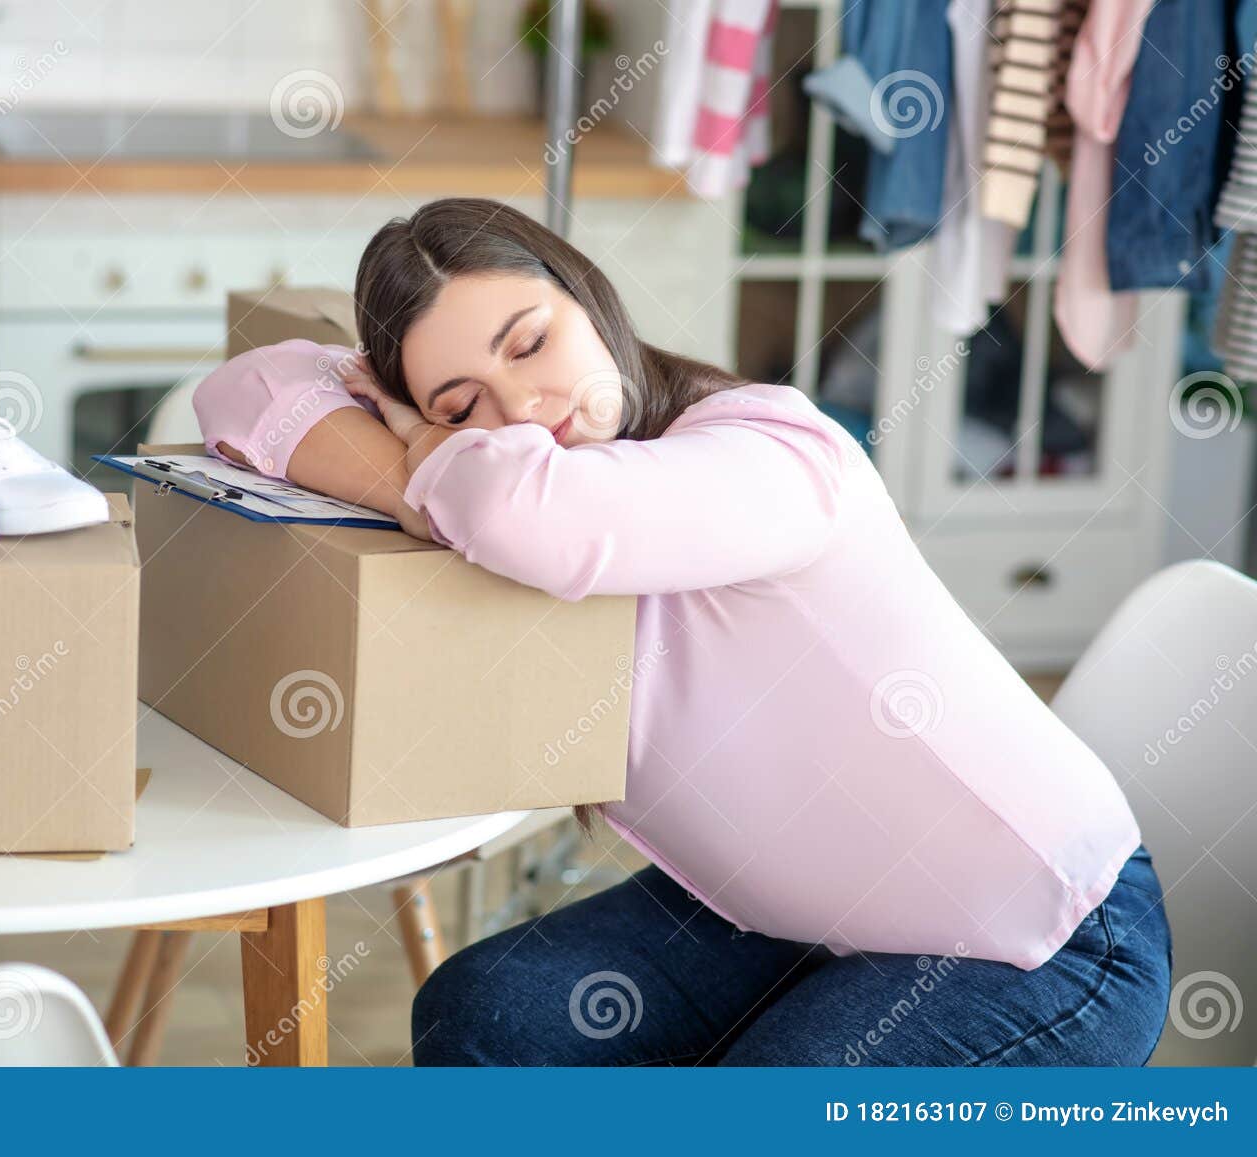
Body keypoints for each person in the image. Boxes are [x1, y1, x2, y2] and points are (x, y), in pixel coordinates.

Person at [192, 197, 1172, 1066]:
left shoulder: (772, 451)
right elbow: (251, 387)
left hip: (1039, 935)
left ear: (586, 294)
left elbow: (531, 511)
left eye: (529, 343)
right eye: (464, 406)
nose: (523, 412)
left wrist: (423, 448)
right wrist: (428, 468)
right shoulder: (497, 481)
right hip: (789, 915)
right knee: (486, 1013)